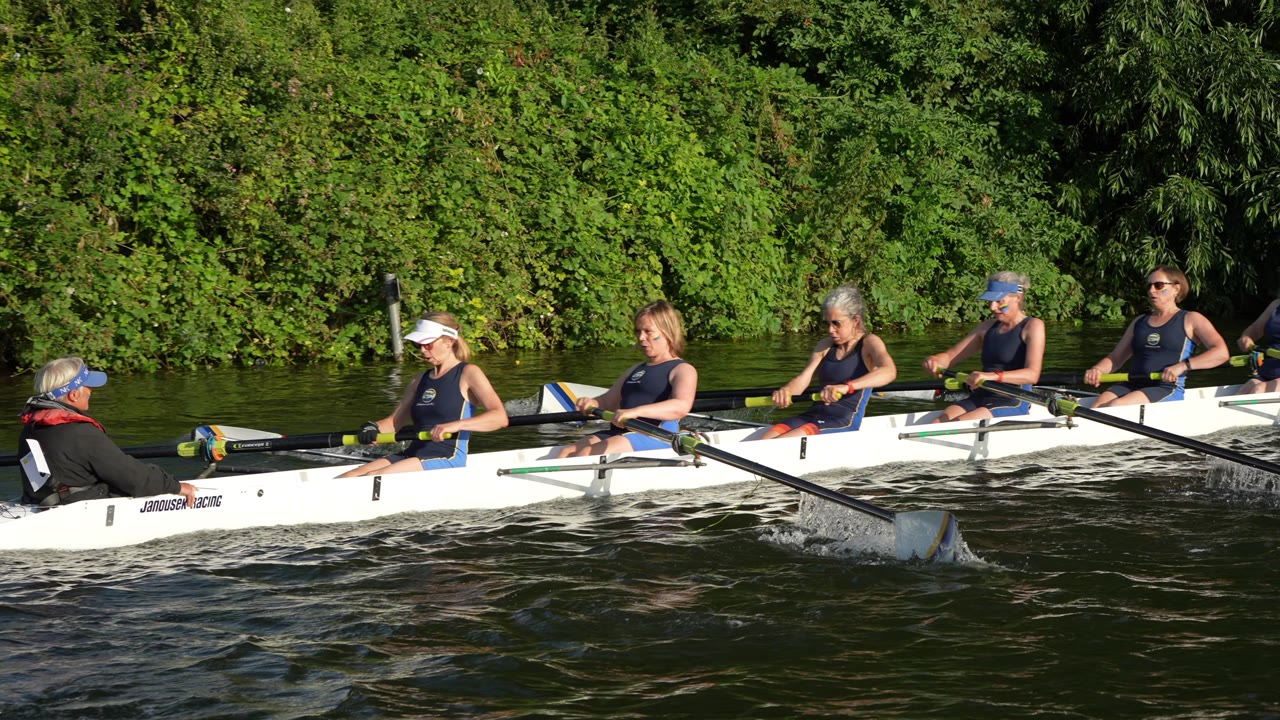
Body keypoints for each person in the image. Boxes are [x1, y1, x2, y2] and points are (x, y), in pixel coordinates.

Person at [339, 312, 508, 477]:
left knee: (374, 476)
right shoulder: (419, 379)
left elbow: (499, 417)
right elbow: (394, 422)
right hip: (413, 453)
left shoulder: (468, 373)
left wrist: (456, 425)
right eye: (418, 345)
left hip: (447, 457)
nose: (422, 351)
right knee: (350, 476)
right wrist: (372, 428)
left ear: (449, 342)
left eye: (428, 344)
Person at [17, 357, 197, 507]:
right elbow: (133, 478)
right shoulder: (81, 432)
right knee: (147, 474)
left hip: (41, 502)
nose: (91, 391)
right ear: (73, 395)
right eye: (88, 387)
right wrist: (176, 487)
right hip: (79, 509)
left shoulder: (31, 427)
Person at [556, 300, 698, 457]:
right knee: (565, 452)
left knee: (588, 453)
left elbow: (681, 407)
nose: (641, 337)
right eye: (638, 331)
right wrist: (593, 403)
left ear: (667, 331)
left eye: (648, 331)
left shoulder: (682, 370)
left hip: (657, 435)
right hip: (622, 431)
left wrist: (635, 412)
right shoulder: (635, 370)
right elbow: (609, 400)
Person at [758, 285, 897, 439]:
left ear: (855, 321)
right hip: (812, 415)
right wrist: (786, 391)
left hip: (842, 421)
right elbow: (804, 379)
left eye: (836, 323)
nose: (831, 330)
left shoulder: (869, 343)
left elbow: (889, 372)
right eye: (827, 324)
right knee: (765, 440)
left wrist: (847, 386)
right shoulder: (825, 345)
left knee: (783, 442)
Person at [1084, 265, 1229, 406]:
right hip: (1133, 382)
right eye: (1149, 286)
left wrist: (1184, 366)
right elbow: (1116, 357)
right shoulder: (1139, 321)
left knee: (1116, 406)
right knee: (1097, 406)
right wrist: (1098, 370)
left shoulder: (1191, 319)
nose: (1152, 291)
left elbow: (1221, 352)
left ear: (1176, 289)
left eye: (1158, 285)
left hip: (1165, 387)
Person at [922, 271, 1046, 422]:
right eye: (990, 301)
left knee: (956, 424)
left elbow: (1032, 375)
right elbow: (949, 357)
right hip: (982, 395)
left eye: (999, 301)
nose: (993, 307)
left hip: (1012, 400)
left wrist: (991, 376)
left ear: (1018, 298)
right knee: (937, 423)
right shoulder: (987, 327)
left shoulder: (1032, 326)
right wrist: (935, 360)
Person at [1234, 298, 1280, 394]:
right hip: (1267, 372)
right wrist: (1246, 337)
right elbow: (1255, 329)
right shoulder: (1276, 305)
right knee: (1244, 391)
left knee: (1258, 390)